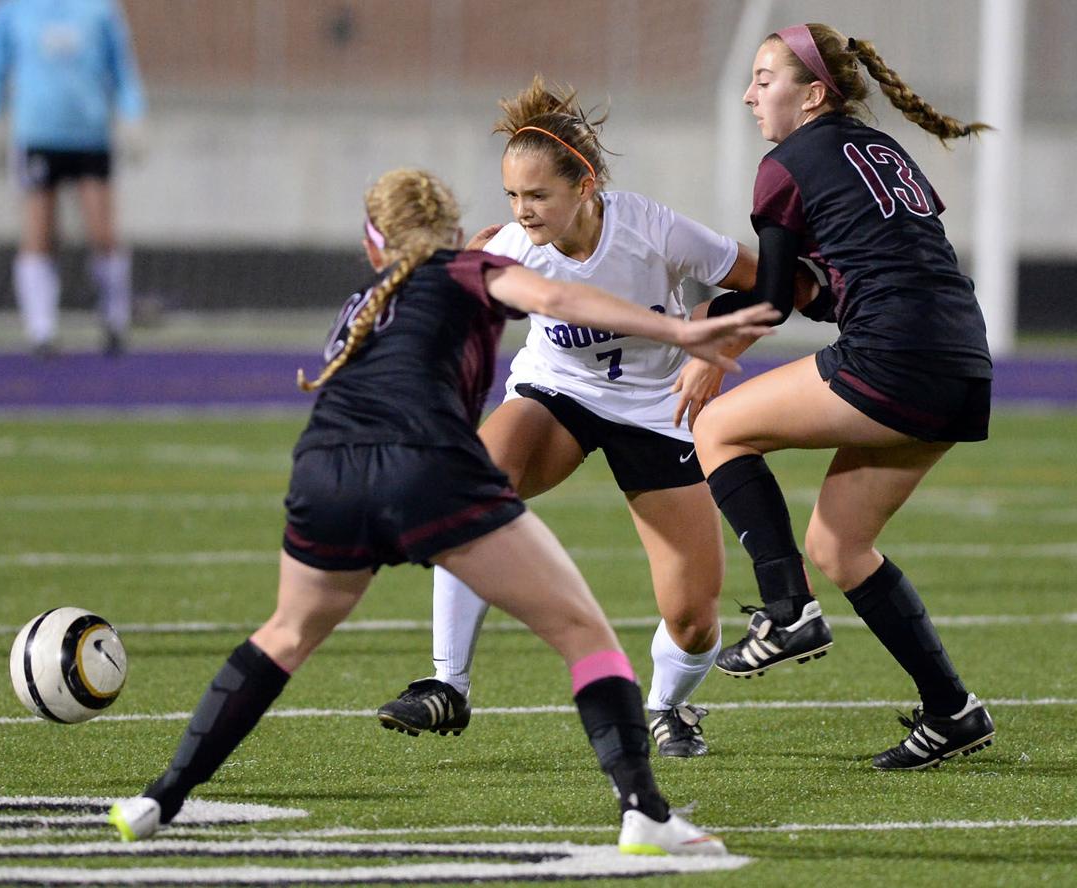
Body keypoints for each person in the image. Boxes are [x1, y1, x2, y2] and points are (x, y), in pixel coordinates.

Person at [107, 168, 777, 852]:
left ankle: (160, 798)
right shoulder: (470, 268)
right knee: (584, 633)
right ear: (456, 234)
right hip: (426, 470)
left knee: (283, 634)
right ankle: (645, 814)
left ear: (373, 246)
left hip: (324, 472)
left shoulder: (363, 301)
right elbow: (555, 296)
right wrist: (680, 333)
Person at [377, 77, 771, 758]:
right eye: (512, 196)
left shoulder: (653, 229)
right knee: (473, 487)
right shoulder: (510, 247)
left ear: (585, 186)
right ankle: (448, 685)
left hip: (657, 408)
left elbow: (768, 284)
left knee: (693, 616)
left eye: (537, 195)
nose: (522, 211)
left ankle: (666, 707)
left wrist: (718, 348)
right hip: (558, 391)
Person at [689, 23, 996, 770]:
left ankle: (787, 612)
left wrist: (708, 341)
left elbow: (772, 301)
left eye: (766, 79)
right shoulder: (880, 148)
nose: (749, 94)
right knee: (839, 547)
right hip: (963, 357)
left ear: (813, 94)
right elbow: (844, 282)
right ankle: (952, 711)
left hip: (896, 355)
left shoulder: (785, 163)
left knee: (719, 427)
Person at [0, 0, 146, 357]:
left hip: (90, 135)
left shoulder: (100, 8)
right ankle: (41, 329)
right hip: (37, 134)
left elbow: (122, 66)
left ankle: (114, 318)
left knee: (102, 234)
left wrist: (133, 113)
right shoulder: (12, 9)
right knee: (39, 232)